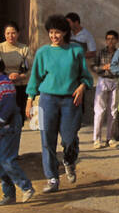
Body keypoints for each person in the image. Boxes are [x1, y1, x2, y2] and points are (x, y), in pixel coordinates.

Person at [26, 14, 93, 193]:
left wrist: (81, 87)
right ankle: (52, 178)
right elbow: (35, 79)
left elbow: (86, 77)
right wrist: (29, 99)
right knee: (47, 140)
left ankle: (69, 161)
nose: (54, 36)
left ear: (65, 32)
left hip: (71, 100)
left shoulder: (76, 51)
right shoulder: (42, 53)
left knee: (69, 139)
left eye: (58, 32)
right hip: (47, 98)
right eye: (51, 32)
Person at [0, 55, 35, 205]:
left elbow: (9, 105)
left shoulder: (4, 84)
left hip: (9, 124)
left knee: (7, 159)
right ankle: (9, 194)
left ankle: (26, 187)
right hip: (1, 124)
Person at [0, 22, 35, 129]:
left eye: (13, 33)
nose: (10, 36)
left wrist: (20, 76)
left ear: (18, 34)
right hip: (3, 87)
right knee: (4, 117)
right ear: (4, 34)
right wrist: (5, 76)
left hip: (20, 86)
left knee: (18, 119)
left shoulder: (24, 49)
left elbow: (32, 69)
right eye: (8, 33)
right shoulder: (0, 48)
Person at [92, 30, 119, 148]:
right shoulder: (101, 53)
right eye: (108, 39)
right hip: (103, 80)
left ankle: (110, 138)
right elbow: (93, 66)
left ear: (117, 40)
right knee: (99, 111)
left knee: (113, 110)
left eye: (113, 39)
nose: (110, 41)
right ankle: (97, 139)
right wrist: (103, 67)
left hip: (115, 81)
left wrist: (115, 68)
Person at [65, 12, 97, 118]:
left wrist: (79, 55)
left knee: (79, 92)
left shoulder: (86, 35)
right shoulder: (67, 34)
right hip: (68, 69)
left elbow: (92, 52)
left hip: (79, 69)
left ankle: (79, 116)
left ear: (76, 22)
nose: (67, 25)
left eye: (69, 22)